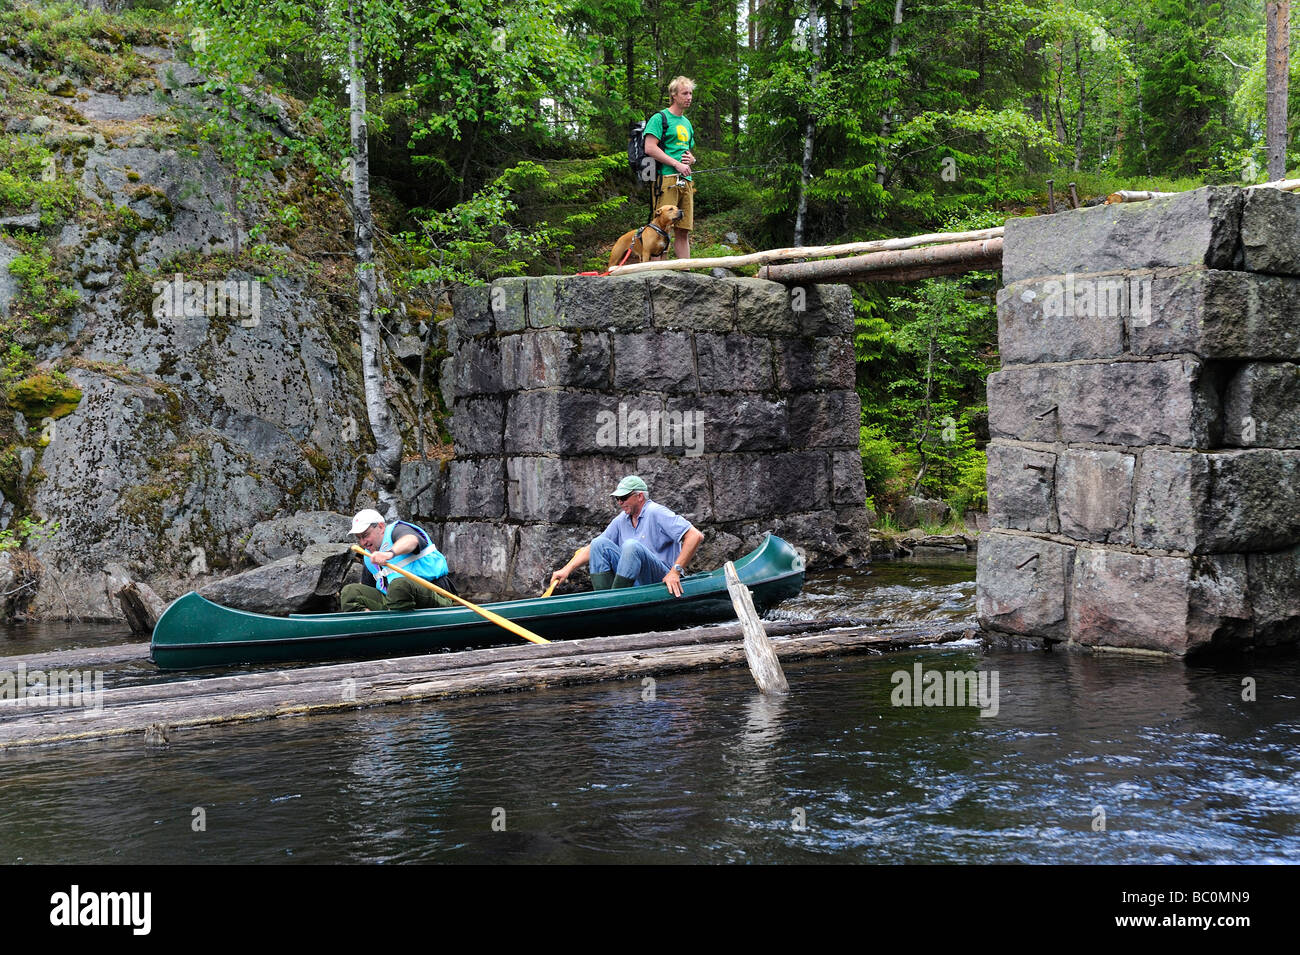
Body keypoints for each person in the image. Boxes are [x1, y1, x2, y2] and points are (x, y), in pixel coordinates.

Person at [549, 475, 705, 598]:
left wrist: (675, 572)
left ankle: (616, 602)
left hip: (661, 581)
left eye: (624, 498)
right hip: (636, 582)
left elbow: (695, 536)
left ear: (640, 496)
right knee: (598, 544)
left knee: (631, 546)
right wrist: (566, 569)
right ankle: (605, 601)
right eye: (617, 499)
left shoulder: (656, 512)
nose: (620, 502)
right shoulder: (621, 520)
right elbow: (591, 549)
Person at [340, 508, 455, 612]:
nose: (363, 542)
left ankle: (399, 622)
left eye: (365, 535)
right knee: (350, 592)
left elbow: (411, 540)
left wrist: (389, 554)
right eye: (359, 538)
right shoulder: (369, 557)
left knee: (399, 585)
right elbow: (368, 588)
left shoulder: (397, 530)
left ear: (380, 527)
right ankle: (372, 624)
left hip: (435, 594)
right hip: (395, 603)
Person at [642, 76, 697, 260]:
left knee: (683, 231)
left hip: (685, 181)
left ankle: (686, 273)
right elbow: (649, 147)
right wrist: (675, 164)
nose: (689, 97)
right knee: (660, 231)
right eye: (685, 93)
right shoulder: (660, 118)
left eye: (690, 93)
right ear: (674, 95)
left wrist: (691, 159)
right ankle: (658, 276)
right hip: (665, 180)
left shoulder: (687, 123)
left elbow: (686, 151)